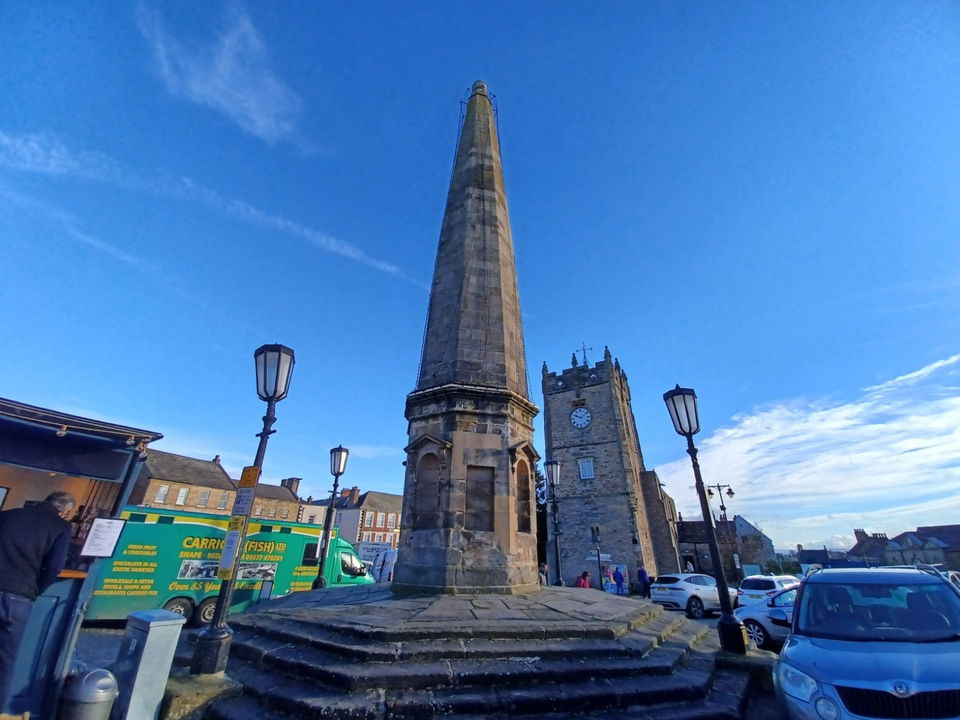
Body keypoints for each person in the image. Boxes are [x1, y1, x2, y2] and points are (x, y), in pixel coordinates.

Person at [0, 491, 75, 704]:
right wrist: (35, 590)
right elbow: (54, 567)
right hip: (19, 597)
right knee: (4, 661)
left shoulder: (9, 515)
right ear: (66, 511)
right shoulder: (61, 527)